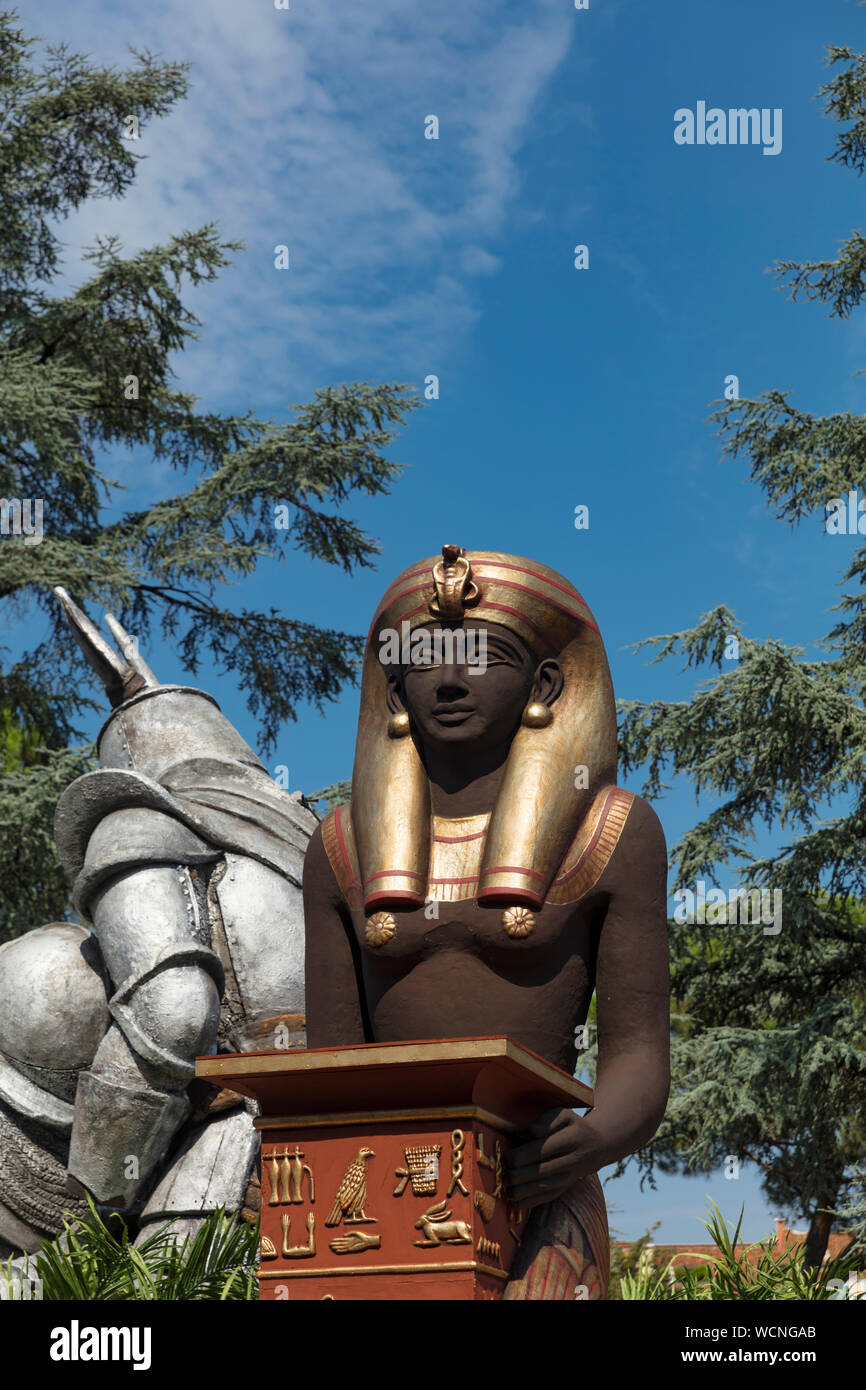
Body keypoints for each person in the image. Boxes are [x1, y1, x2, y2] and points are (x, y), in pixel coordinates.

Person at [303, 546, 670, 1300]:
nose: (449, 679)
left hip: (537, 1185)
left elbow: (640, 1056)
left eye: (482, 657)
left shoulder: (613, 832)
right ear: (395, 685)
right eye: (424, 659)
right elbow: (330, 1066)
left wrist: (592, 1136)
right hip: (378, 1191)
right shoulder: (339, 847)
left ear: (543, 683)